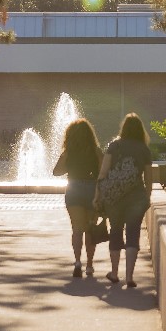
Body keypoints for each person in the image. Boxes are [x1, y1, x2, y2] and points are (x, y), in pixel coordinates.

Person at [93, 112, 154, 287]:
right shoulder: (144, 149)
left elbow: (103, 174)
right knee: (133, 234)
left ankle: (114, 273)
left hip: (114, 198)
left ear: (124, 129)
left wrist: (97, 196)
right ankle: (129, 277)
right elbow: (149, 179)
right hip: (136, 198)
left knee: (115, 232)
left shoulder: (114, 146)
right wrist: (146, 198)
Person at [51, 117, 103, 279]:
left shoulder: (68, 152)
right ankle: (90, 265)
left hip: (73, 189)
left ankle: (77, 262)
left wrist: (71, 165)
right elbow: (104, 173)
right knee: (90, 229)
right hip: (92, 190)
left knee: (77, 229)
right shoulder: (96, 151)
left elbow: (56, 172)